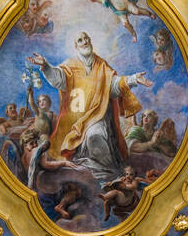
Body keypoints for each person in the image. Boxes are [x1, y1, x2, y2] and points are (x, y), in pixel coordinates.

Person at [28, 32, 152, 181]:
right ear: (76, 46)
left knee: (95, 136)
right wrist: (45, 66)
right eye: (80, 40)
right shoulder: (70, 65)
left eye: (86, 38)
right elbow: (58, 79)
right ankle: (86, 170)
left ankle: (105, 175)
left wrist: (133, 79)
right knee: (68, 145)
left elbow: (113, 85)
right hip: (74, 119)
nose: (85, 41)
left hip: (97, 115)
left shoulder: (101, 65)